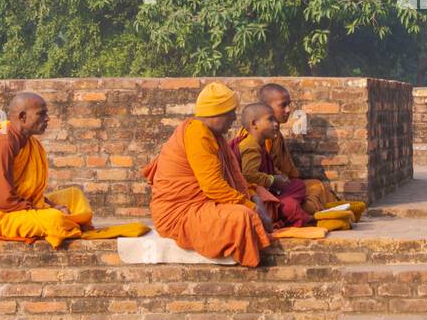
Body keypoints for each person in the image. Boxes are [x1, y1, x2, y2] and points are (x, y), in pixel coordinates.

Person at [143, 82, 272, 265]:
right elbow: (214, 187)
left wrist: (251, 197)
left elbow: (235, 178)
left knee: (262, 198)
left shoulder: (214, 137)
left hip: (202, 205)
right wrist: (252, 208)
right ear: (216, 114)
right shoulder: (198, 134)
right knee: (243, 217)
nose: (234, 119)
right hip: (178, 214)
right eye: (230, 113)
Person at [0, 92, 96, 248]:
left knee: (74, 195)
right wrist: (46, 209)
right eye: (41, 114)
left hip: (17, 207)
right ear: (22, 117)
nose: (47, 118)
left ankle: (71, 221)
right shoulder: (3, 140)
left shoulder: (29, 142)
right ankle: (71, 222)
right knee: (55, 220)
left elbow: (26, 194)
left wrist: (50, 205)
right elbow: (4, 200)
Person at [257, 83, 365, 219]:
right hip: (266, 191)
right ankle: (322, 212)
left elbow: (288, 170)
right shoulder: (258, 136)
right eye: (283, 105)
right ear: (266, 107)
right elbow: (256, 174)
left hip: (281, 186)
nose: (288, 110)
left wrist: (291, 182)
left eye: (289, 104)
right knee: (298, 202)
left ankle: (328, 209)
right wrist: (280, 182)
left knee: (316, 185)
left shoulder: (277, 135)